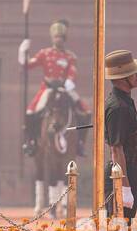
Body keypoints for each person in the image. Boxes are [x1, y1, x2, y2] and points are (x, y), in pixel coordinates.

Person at [19, 19, 88, 156]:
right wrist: (23, 51)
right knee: (30, 112)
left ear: (64, 39)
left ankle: (80, 143)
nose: (58, 40)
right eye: (56, 37)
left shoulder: (70, 56)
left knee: (85, 112)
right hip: (48, 88)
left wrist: (67, 84)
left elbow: (72, 73)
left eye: (61, 37)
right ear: (53, 38)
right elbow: (28, 65)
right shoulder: (45, 53)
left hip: (64, 87)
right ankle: (31, 141)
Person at [102, 49, 137, 221]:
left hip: (130, 170)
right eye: (132, 73)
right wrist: (124, 187)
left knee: (126, 227)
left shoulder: (125, 100)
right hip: (122, 172)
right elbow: (116, 149)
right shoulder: (118, 107)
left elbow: (129, 134)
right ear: (121, 78)